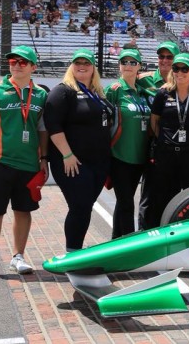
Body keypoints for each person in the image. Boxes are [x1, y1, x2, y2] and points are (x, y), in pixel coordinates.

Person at [0, 46, 48, 280]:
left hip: (29, 165)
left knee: (23, 211)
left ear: (33, 67)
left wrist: (43, 159)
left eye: (23, 62)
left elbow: (42, 129)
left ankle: (18, 257)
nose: (16, 65)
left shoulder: (41, 95)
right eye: (13, 61)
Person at [45, 49, 114, 252]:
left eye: (86, 63)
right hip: (72, 161)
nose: (81, 66)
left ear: (94, 68)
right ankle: (72, 252)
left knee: (84, 208)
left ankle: (78, 250)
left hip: (98, 162)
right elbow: (53, 126)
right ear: (71, 66)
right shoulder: (63, 91)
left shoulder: (97, 92)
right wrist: (67, 154)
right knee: (80, 206)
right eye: (77, 63)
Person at [146, 53, 189, 228]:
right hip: (166, 154)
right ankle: (162, 230)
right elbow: (154, 121)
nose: (180, 72)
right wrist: (166, 140)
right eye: (176, 68)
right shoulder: (163, 94)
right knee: (163, 196)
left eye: (185, 69)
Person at [104, 49, 153, 238]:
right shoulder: (115, 90)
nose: (128, 65)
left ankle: (117, 240)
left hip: (141, 157)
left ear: (139, 66)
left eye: (133, 62)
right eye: (124, 61)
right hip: (120, 156)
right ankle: (128, 243)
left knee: (126, 202)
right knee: (125, 202)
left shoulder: (143, 93)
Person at [136, 40, 181, 230]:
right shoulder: (143, 80)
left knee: (171, 194)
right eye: (161, 56)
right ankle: (144, 234)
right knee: (149, 195)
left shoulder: (183, 80)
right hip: (152, 145)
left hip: (175, 148)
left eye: (169, 57)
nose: (164, 60)